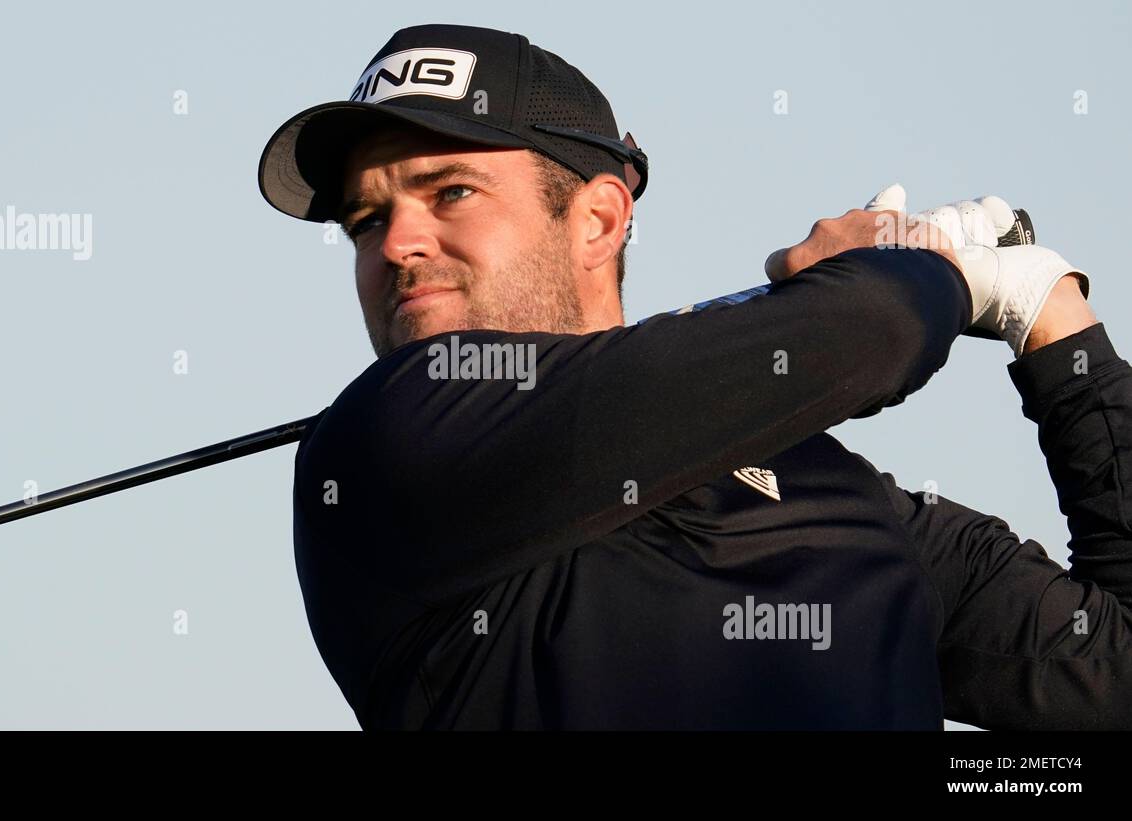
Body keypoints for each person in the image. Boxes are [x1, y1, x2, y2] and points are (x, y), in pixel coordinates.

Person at [257, 23, 1126, 729]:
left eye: (449, 193)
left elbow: (1114, 666)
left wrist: (1053, 322)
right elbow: (876, 327)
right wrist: (937, 272)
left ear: (598, 220)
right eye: (368, 219)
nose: (395, 246)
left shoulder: (842, 492)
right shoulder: (381, 444)